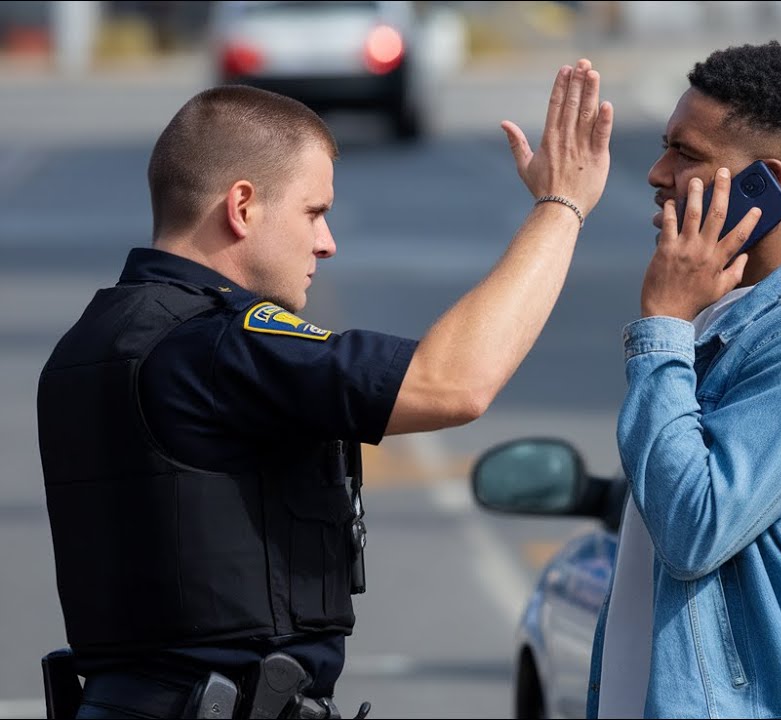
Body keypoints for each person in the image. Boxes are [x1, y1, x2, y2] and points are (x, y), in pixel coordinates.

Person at [37, 59, 612, 719]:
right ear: (242, 207)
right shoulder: (220, 343)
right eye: (313, 212)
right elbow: (452, 383)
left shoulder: (87, 345)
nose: (327, 242)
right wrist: (561, 208)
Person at [589, 42, 781, 719]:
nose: (657, 174)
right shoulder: (719, 310)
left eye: (686, 154)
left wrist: (663, 325)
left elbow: (694, 528)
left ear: (766, 183)